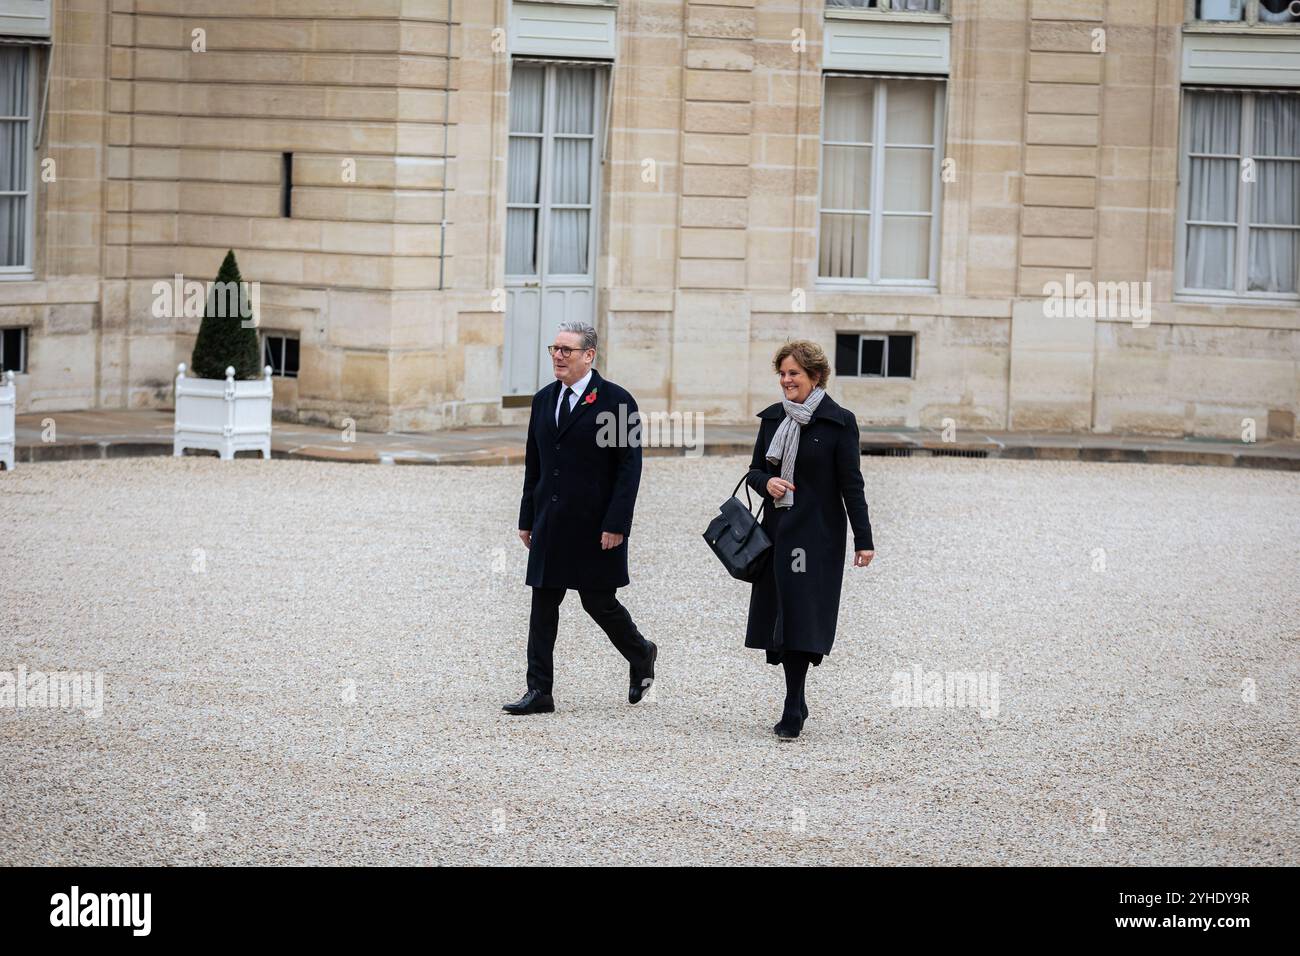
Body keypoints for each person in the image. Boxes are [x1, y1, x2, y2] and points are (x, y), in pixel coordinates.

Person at [502, 321, 658, 715]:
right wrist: (527, 517)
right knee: (543, 602)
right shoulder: (542, 400)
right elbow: (533, 463)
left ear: (589, 355)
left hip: (595, 523)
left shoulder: (617, 401)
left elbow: (629, 468)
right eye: (554, 348)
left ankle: (641, 654)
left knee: (598, 602)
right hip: (550, 520)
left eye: (566, 350)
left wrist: (617, 523)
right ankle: (539, 691)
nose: (558, 355)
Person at [743, 340, 876, 739]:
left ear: (815, 376)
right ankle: (796, 699)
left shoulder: (839, 422)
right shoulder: (772, 420)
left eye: (794, 374)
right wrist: (768, 482)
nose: (786, 381)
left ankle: (792, 706)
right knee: (780, 616)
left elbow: (852, 485)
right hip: (777, 533)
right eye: (782, 374)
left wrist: (863, 540)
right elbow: (752, 471)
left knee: (800, 617)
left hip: (816, 540)